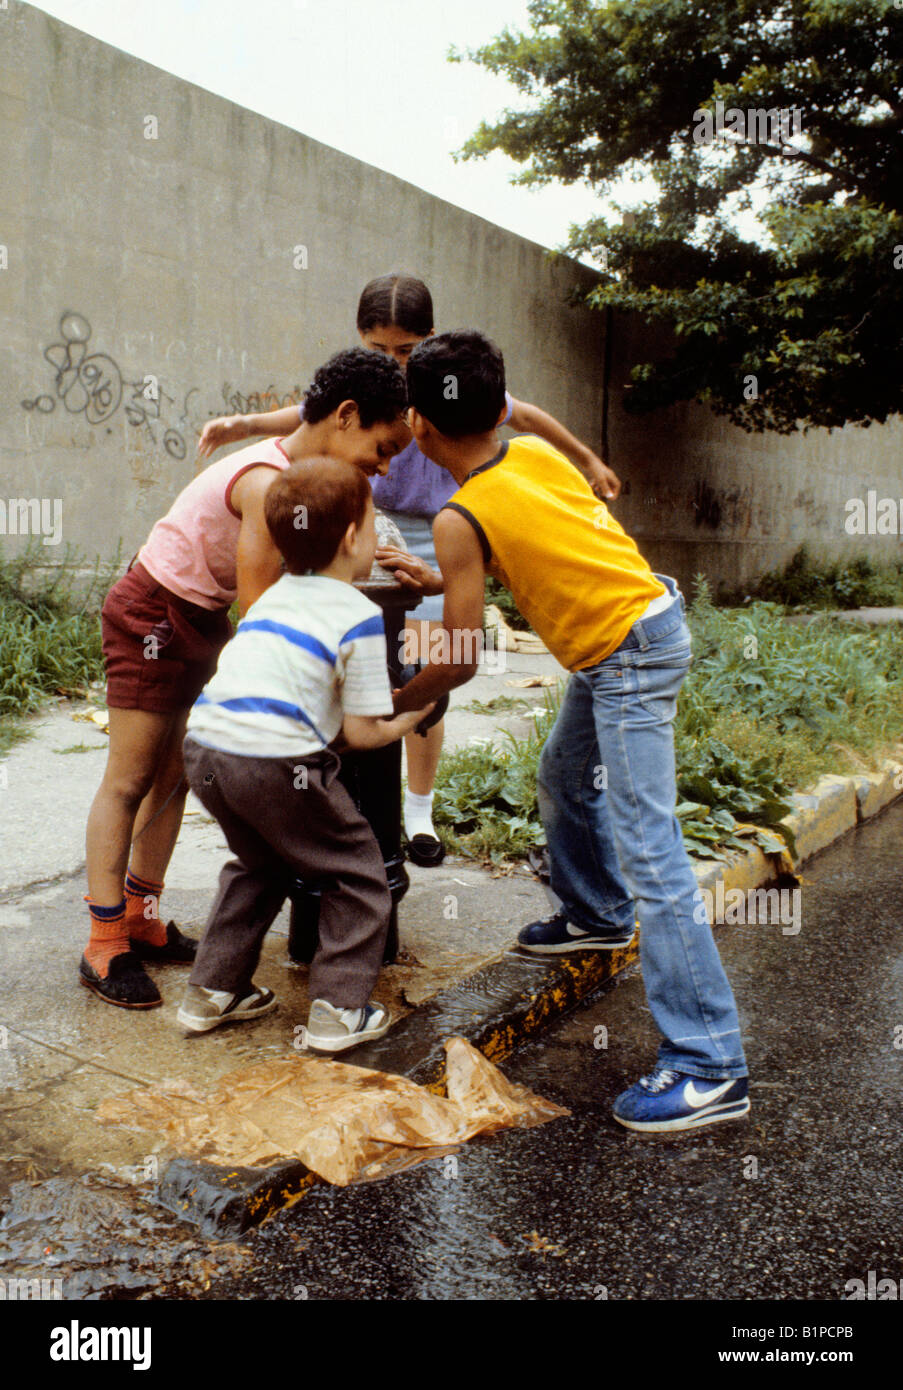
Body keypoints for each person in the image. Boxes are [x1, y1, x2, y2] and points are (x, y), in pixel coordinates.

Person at [391, 330, 750, 1135]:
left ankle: (709, 1064)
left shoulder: (459, 516)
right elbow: (548, 549)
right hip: (642, 625)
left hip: (624, 656)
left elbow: (453, 658)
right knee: (561, 773)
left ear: (418, 423)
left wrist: (394, 705)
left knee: (650, 846)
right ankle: (595, 915)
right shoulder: (531, 458)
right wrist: (444, 577)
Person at [197, 273, 621, 867]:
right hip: (371, 530)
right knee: (360, 666)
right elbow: (305, 416)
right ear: (360, 339)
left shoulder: (443, 391)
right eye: (380, 349)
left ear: (427, 341)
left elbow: (528, 418)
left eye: (406, 350)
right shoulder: (364, 393)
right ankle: (349, 796)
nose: (394, 362)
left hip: (449, 531)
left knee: (428, 668)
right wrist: (243, 426)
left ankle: (416, 813)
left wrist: (590, 460)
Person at [81, 349, 411, 1010]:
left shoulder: (296, 472)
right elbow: (259, 607)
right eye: (381, 448)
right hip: (154, 613)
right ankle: (103, 941)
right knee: (129, 778)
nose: (382, 466)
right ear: (345, 417)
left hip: (199, 618)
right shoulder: (266, 481)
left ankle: (142, 915)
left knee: (173, 775)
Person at [177, 458, 433, 1050]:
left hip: (208, 751)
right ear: (351, 538)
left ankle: (212, 991)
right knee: (357, 874)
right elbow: (366, 733)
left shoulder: (270, 598)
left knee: (259, 862)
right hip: (277, 766)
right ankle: (338, 1011)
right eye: (373, 525)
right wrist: (415, 712)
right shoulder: (358, 614)